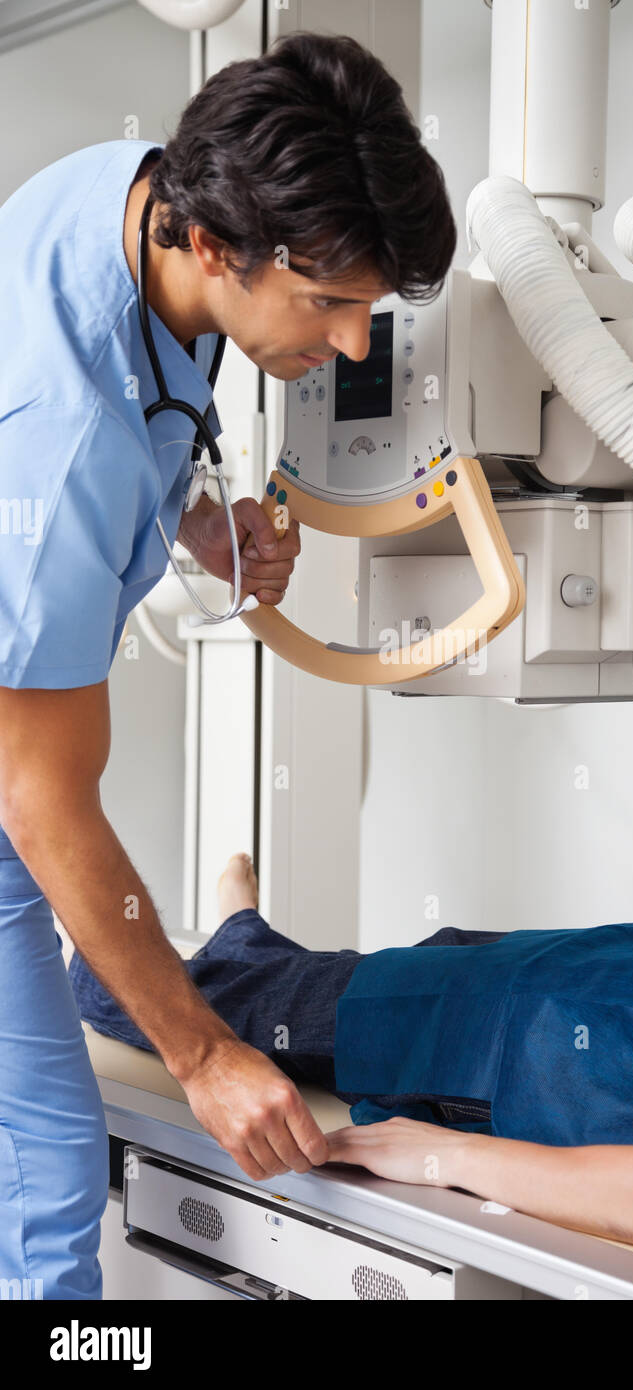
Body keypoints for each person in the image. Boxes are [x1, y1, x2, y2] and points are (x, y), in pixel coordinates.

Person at [0, 32, 456, 1298]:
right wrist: (202, 1057)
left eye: (371, 306)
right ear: (212, 247)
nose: (356, 345)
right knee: (41, 1167)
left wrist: (199, 519)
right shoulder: (61, 435)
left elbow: (156, 397)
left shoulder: (144, 190)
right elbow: (38, 802)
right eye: (327, 305)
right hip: (8, 780)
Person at [72, 853, 633, 1275]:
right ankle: (250, 941)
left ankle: (242, 945)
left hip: (555, 1054)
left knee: (112, 988)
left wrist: (442, 1153)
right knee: (422, 960)